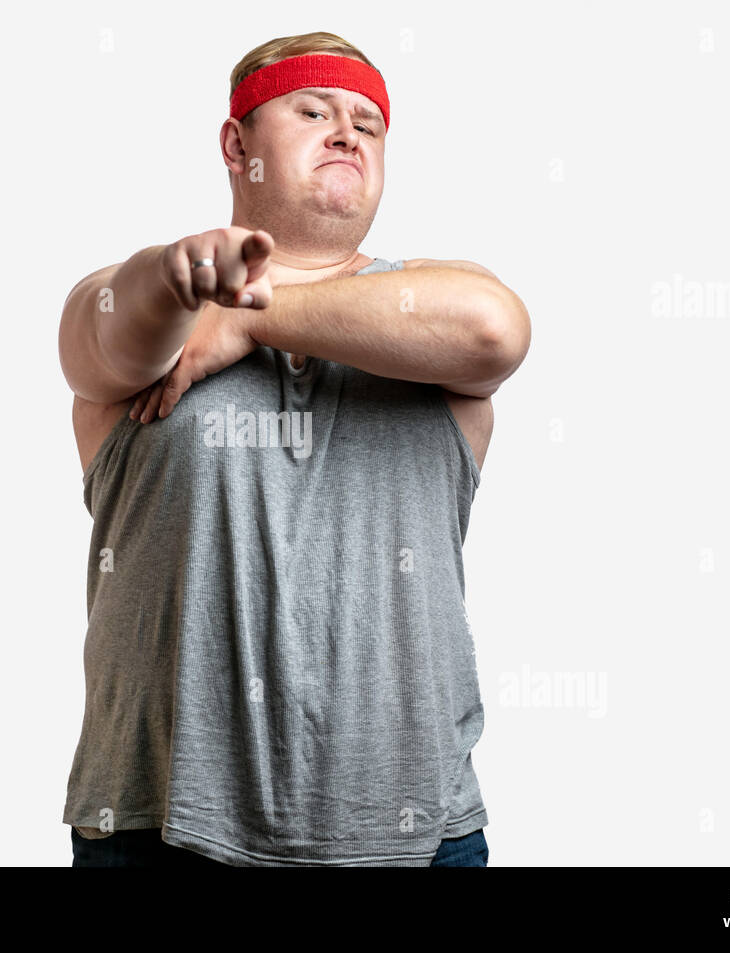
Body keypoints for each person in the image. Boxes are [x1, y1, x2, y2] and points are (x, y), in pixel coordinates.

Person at [57, 31, 530, 867]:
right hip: (159, 831)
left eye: (367, 124)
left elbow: (494, 330)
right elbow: (97, 334)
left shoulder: (437, 304)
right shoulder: (153, 313)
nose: (346, 132)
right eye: (312, 110)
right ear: (239, 145)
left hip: (414, 838)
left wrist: (251, 315)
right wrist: (183, 286)